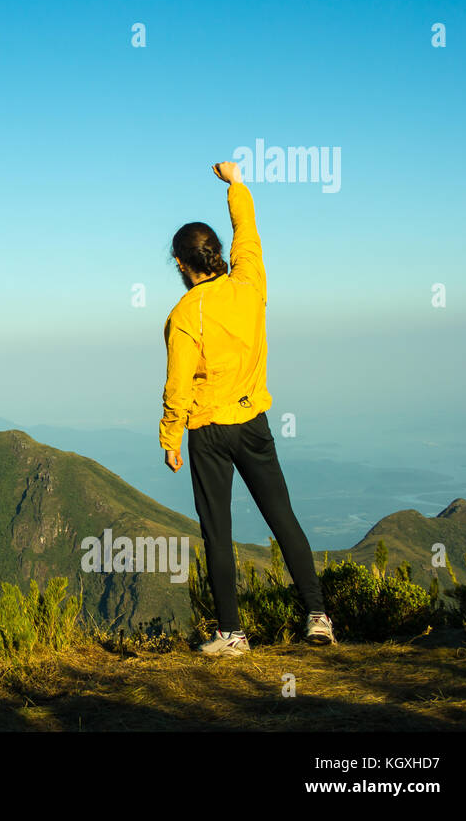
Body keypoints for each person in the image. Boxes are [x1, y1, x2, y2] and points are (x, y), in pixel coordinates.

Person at [159, 161, 334, 656]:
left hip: (208, 430)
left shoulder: (183, 314)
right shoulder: (249, 285)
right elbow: (248, 233)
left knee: (218, 531)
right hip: (252, 421)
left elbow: (176, 386)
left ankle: (231, 634)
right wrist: (236, 185)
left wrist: (170, 437)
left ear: (180, 263)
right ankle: (318, 616)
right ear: (216, 254)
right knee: (283, 518)